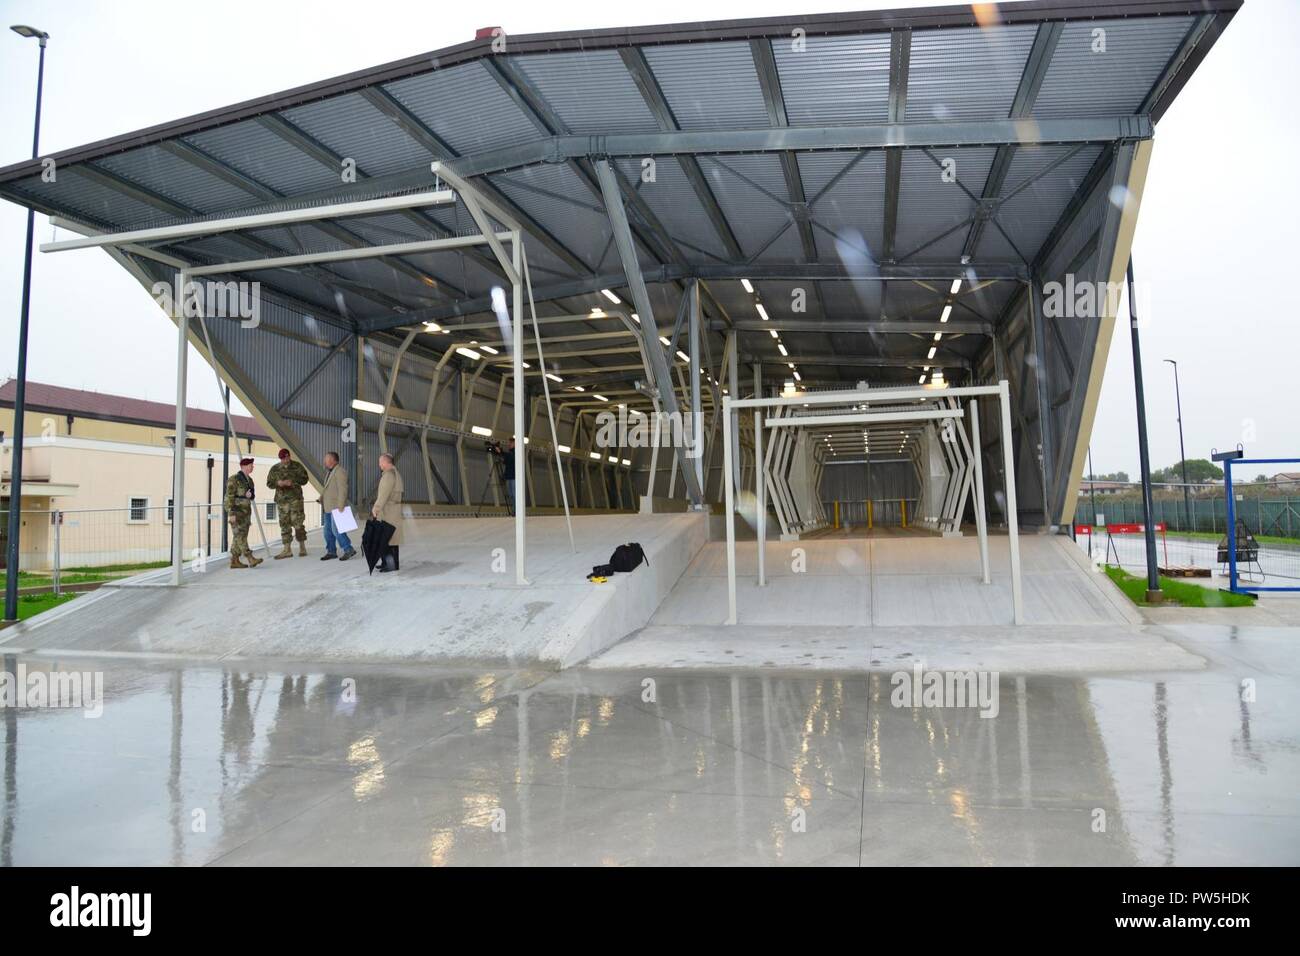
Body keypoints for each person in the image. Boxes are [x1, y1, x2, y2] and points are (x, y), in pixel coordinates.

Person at [267, 447, 310, 559]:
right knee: (284, 525)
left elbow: (305, 479)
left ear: (289, 456)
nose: (285, 460)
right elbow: (269, 483)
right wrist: (279, 483)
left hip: (296, 500)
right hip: (282, 502)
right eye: (282, 459)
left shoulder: (297, 466)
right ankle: (287, 550)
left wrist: (293, 481)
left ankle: (302, 547)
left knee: (298, 523)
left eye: (286, 458)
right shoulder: (275, 469)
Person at [223, 458, 263, 569]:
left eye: (252, 465)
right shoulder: (233, 479)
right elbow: (229, 497)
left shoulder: (250, 480)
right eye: (251, 465)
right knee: (240, 535)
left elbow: (252, 495)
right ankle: (250, 558)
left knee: (240, 536)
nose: (252, 467)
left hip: (246, 512)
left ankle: (235, 561)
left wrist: (250, 495)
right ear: (244, 466)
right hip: (236, 511)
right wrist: (231, 513)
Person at [319, 450, 356, 561]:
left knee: (337, 530)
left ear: (332, 460)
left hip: (336, 506)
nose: (324, 461)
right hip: (328, 506)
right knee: (327, 532)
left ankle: (348, 549)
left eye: (326, 459)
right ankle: (331, 551)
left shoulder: (340, 471)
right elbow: (328, 489)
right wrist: (321, 498)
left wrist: (341, 506)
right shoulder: (330, 472)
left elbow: (343, 490)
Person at [373, 452, 404, 572]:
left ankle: (390, 565)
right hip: (393, 510)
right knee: (392, 539)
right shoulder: (394, 473)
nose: (379, 464)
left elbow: (383, 495)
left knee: (386, 538)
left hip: (388, 510)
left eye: (380, 462)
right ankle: (389, 563)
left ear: (386, 462)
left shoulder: (388, 476)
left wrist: (376, 508)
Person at [503, 437, 517, 516]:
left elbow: (511, 459)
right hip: (509, 477)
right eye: (509, 443)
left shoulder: (516, 453)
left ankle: (515, 511)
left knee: (514, 495)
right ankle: (513, 511)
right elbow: (505, 462)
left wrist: (501, 452)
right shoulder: (509, 453)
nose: (509, 444)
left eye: (511, 443)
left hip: (514, 477)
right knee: (511, 495)